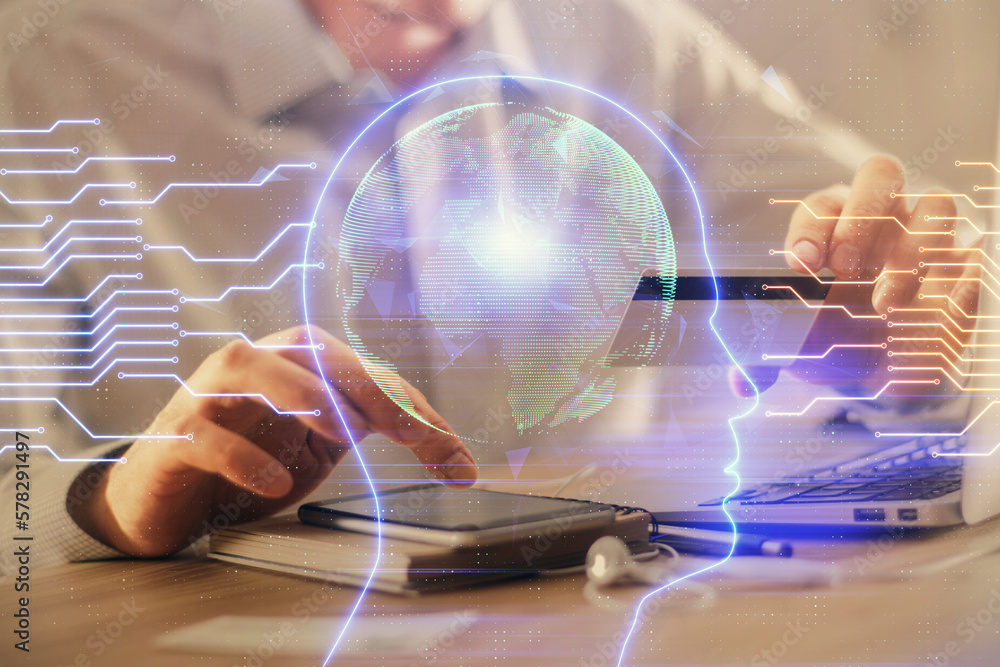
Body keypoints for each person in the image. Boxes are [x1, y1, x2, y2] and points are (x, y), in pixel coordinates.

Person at [0, 0, 973, 577]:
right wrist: (110, 499)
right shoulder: (48, 77)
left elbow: (919, 247)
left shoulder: (627, 34)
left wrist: (929, 285)